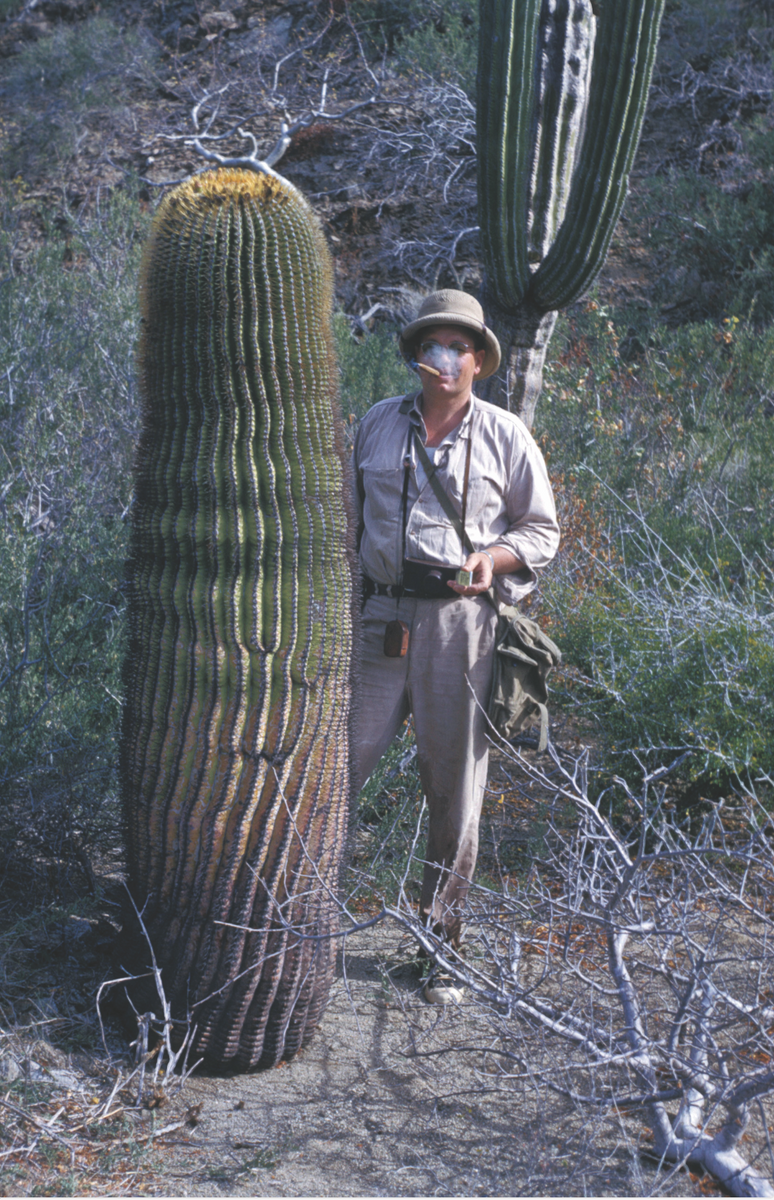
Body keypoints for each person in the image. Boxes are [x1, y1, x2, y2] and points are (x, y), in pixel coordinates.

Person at [352, 289, 560, 1002]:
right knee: (333, 771)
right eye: (433, 345)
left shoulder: (506, 435)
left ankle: (442, 949)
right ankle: (295, 925)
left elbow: (542, 531)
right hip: (379, 619)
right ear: (416, 355)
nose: (446, 359)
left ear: (478, 360)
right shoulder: (376, 426)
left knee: (456, 792)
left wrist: (493, 560)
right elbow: (345, 529)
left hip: (461, 625)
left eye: (459, 347)